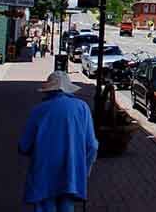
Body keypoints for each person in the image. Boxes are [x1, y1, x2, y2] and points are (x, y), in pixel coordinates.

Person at [18, 71, 99, 212]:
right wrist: (84, 170)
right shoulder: (82, 108)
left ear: (48, 90)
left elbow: (24, 146)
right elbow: (92, 146)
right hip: (71, 173)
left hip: (43, 174)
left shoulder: (38, 110)